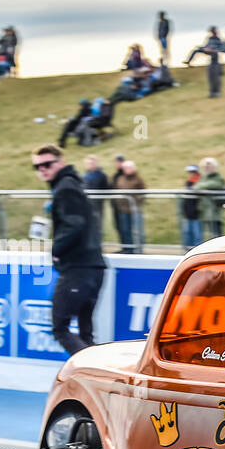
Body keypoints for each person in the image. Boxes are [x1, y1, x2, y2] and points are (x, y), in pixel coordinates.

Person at [31, 145, 104, 354]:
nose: (42, 169)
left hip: (78, 269)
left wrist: (56, 249)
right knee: (85, 334)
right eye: (37, 166)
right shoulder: (70, 185)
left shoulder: (65, 187)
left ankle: (91, 373)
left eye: (47, 164)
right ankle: (97, 379)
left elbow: (75, 224)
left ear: (60, 163)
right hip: (92, 268)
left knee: (60, 328)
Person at [112, 159, 146, 253]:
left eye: (128, 168)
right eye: (125, 168)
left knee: (137, 231)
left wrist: (136, 203)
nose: (126, 169)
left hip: (134, 210)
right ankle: (128, 249)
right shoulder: (120, 179)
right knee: (125, 230)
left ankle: (139, 250)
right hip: (123, 209)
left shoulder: (138, 179)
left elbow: (143, 194)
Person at [196, 157, 225, 238]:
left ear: (214, 167)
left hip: (214, 211)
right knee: (202, 234)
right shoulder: (203, 178)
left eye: (209, 165)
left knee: (216, 234)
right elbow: (195, 187)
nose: (207, 167)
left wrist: (201, 187)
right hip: (203, 210)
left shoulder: (217, 178)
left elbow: (215, 184)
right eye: (205, 166)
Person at [181, 164, 202, 249]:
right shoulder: (189, 182)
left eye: (193, 172)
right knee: (188, 232)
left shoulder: (199, 181)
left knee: (197, 233)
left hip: (196, 212)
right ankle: (188, 249)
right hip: (189, 211)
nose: (191, 173)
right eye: (190, 172)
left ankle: (196, 249)